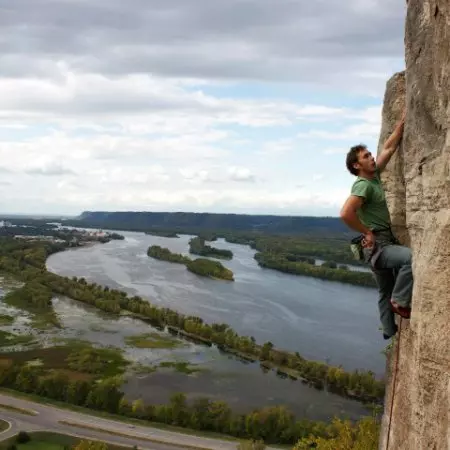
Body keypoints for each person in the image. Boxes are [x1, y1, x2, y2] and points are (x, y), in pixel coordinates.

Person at [340, 111, 413, 339]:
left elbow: (388, 149)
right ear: (356, 165)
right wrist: (366, 231)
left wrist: (402, 124)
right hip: (380, 246)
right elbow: (345, 213)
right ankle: (399, 301)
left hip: (376, 248)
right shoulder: (363, 185)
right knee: (412, 259)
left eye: (370, 154)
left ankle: (389, 330)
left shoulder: (374, 177)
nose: (371, 158)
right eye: (366, 156)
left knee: (383, 290)